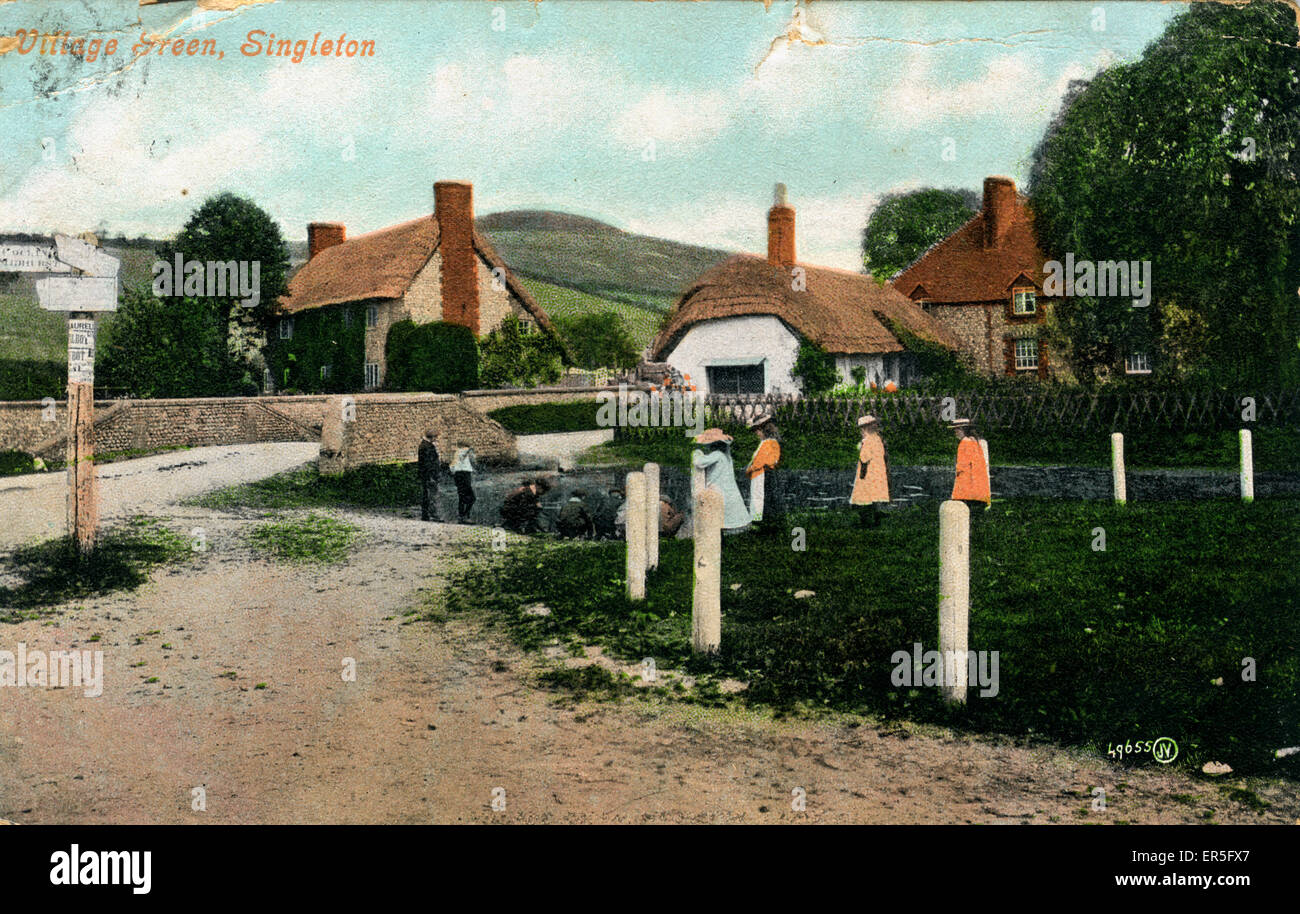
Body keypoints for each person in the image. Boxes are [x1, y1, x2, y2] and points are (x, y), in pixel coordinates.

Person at [691, 428, 751, 533]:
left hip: (719, 487)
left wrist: (697, 453)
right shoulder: (727, 457)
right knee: (732, 510)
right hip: (727, 487)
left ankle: (726, 531)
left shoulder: (717, 455)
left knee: (723, 511)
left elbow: (699, 462)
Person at [744, 413, 782, 532]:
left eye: (757, 431)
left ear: (763, 430)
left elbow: (760, 460)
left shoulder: (768, 443)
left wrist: (750, 468)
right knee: (764, 497)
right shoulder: (769, 442)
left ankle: (761, 523)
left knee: (760, 498)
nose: (756, 434)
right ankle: (764, 522)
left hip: (763, 474)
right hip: (763, 473)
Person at [850, 414, 890, 527]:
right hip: (878, 472)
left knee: (864, 498)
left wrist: (861, 448)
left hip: (868, 474)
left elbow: (864, 458)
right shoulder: (878, 440)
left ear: (864, 429)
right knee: (875, 497)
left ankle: (866, 521)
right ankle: (877, 516)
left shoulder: (867, 442)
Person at [950, 419, 991, 509]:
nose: (955, 432)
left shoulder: (965, 443)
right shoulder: (976, 442)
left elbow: (962, 467)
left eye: (956, 430)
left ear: (962, 430)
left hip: (966, 491)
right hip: (979, 490)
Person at [417, 429, 441, 522]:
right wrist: (431, 476)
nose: (436, 439)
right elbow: (428, 463)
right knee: (431, 496)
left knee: (427, 495)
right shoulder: (427, 446)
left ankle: (426, 515)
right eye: (436, 437)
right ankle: (432, 515)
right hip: (430, 475)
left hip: (427, 475)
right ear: (433, 437)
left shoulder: (423, 445)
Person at [450, 440, 477, 523]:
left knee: (462, 498)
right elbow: (463, 455)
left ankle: (462, 516)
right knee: (472, 498)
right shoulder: (461, 452)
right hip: (463, 475)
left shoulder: (457, 453)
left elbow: (452, 467)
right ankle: (464, 516)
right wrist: (468, 450)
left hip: (459, 475)